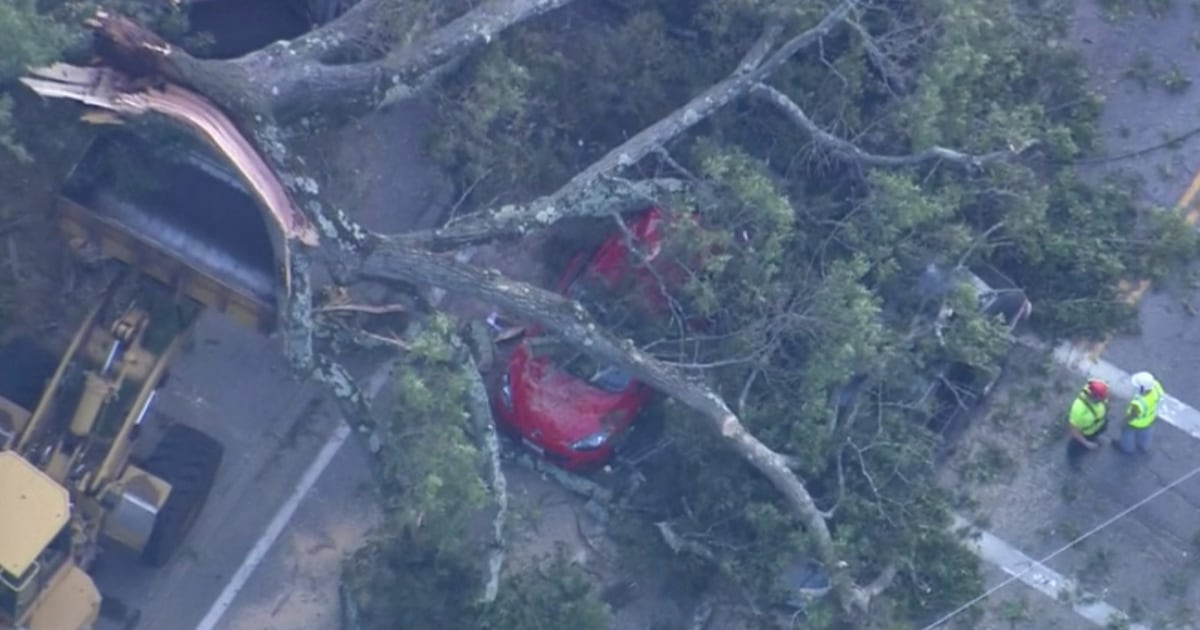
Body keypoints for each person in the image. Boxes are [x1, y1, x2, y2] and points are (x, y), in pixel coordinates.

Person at [1116, 371, 1163, 455]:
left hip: (1136, 423)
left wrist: (1123, 422)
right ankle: (1143, 446)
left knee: (1127, 433)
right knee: (1146, 433)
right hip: (1150, 418)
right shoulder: (1156, 386)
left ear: (1142, 388)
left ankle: (1127, 448)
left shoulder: (1139, 403)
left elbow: (1132, 415)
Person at [1067, 379, 1109, 470]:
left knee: (1096, 435)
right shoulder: (1078, 410)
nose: (1104, 399)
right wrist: (1086, 443)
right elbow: (1073, 430)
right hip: (1085, 433)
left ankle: (1093, 440)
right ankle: (1073, 462)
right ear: (1095, 396)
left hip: (1097, 426)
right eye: (1102, 398)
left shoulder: (1097, 389)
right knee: (1075, 449)